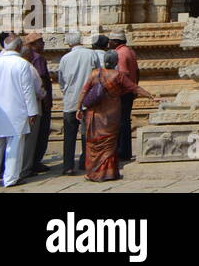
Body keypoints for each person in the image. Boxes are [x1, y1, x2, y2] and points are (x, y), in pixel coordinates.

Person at [79, 50, 156, 182]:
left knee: (94, 144)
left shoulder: (95, 73)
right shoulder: (118, 76)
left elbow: (84, 91)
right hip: (111, 115)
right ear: (116, 62)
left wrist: (78, 107)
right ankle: (109, 173)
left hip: (95, 115)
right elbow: (134, 88)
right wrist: (152, 96)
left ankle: (93, 173)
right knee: (110, 145)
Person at [0, 36, 40, 187]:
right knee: (14, 146)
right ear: (19, 47)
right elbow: (27, 89)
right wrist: (32, 111)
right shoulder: (22, 64)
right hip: (16, 110)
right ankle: (11, 178)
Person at [57, 30, 104, 175]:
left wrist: (67, 90)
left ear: (69, 43)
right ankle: (86, 162)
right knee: (87, 133)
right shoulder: (91, 54)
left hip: (71, 100)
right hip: (89, 100)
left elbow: (62, 80)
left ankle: (68, 166)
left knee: (69, 136)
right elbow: (98, 75)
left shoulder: (65, 58)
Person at [19, 31, 52, 177]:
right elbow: (41, 80)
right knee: (39, 133)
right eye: (41, 42)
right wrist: (46, 100)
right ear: (33, 45)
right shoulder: (37, 59)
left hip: (24, 103)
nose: (43, 45)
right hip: (39, 101)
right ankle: (33, 162)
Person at [109, 31, 140, 162]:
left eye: (111, 41)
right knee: (125, 121)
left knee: (120, 122)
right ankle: (126, 151)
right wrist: (135, 87)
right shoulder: (131, 52)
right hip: (130, 90)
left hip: (122, 92)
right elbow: (137, 72)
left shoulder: (120, 54)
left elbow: (122, 74)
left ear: (116, 41)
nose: (109, 43)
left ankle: (122, 151)